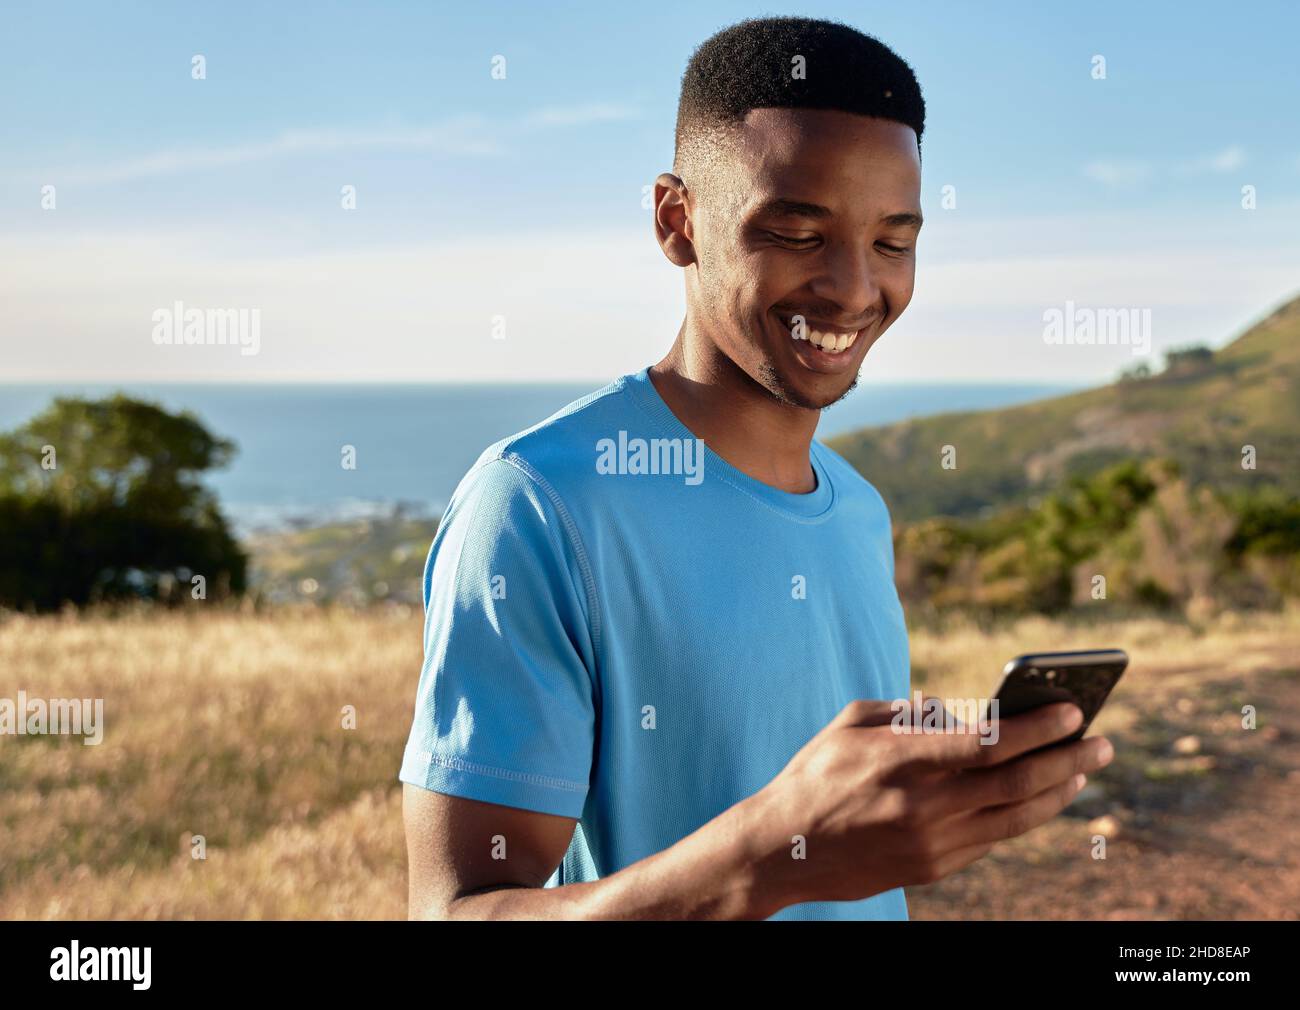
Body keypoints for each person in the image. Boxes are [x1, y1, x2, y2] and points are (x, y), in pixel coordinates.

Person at [401, 15, 1114, 920]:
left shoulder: (859, 509)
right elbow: (455, 912)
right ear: (677, 221)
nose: (856, 290)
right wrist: (766, 860)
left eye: (894, 242)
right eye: (798, 232)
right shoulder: (538, 504)